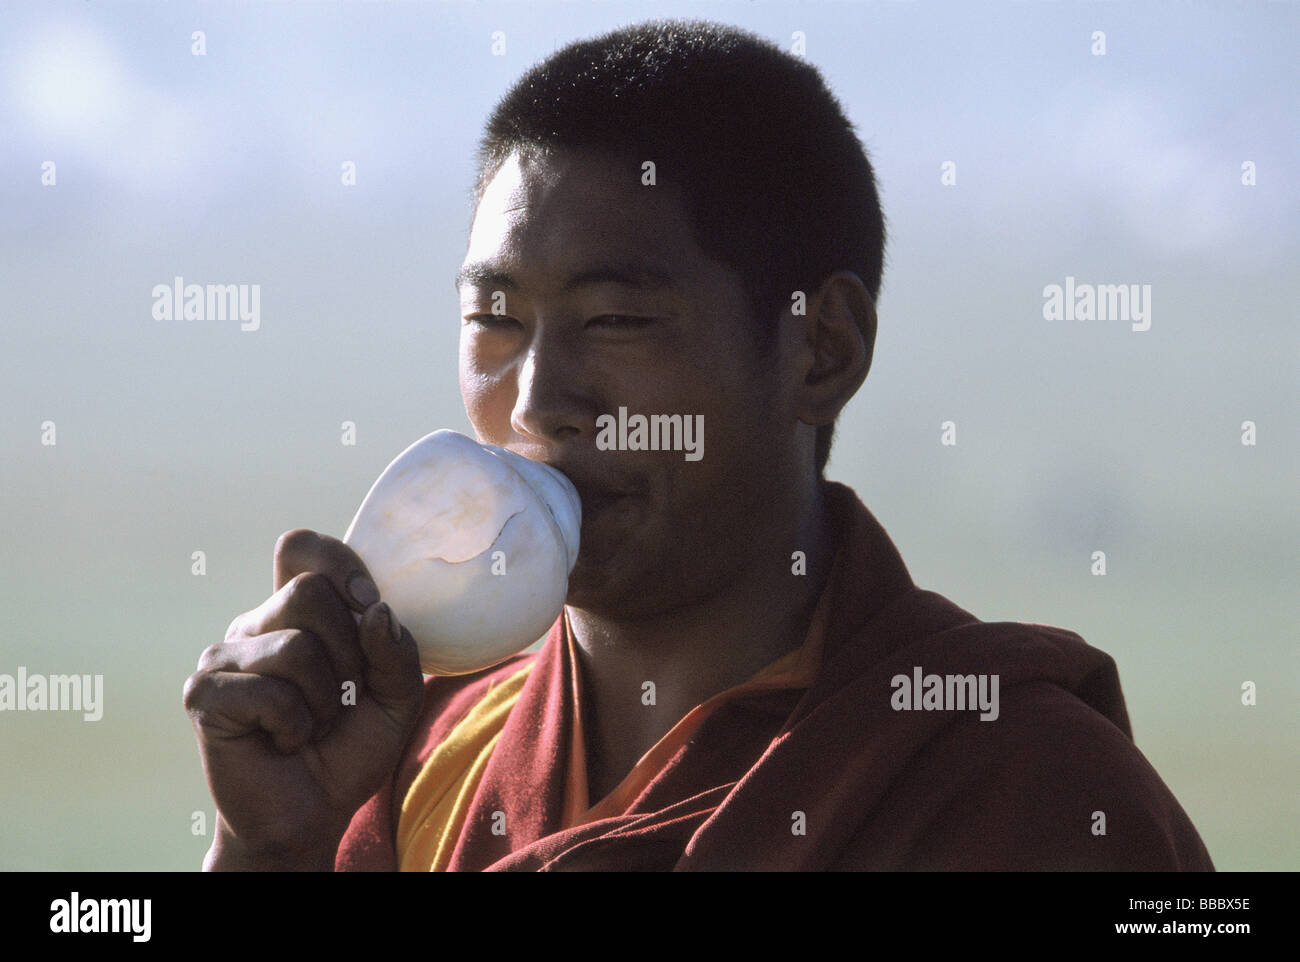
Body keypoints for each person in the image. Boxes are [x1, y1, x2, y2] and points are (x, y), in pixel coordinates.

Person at [183, 19, 1214, 871]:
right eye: (495, 318)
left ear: (820, 348)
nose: (537, 402)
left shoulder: (1013, 787)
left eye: (617, 320)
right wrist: (268, 847)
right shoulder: (424, 756)